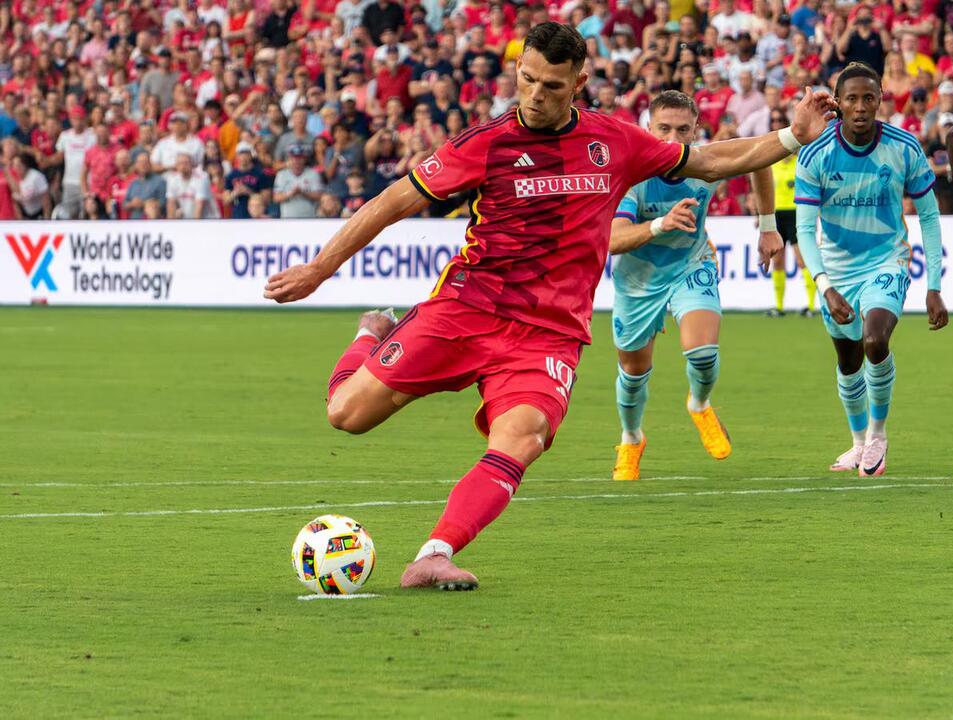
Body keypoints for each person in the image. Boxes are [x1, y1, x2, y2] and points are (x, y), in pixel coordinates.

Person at [263, 23, 835, 590]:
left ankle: (434, 554)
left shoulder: (615, 142)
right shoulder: (485, 143)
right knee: (347, 415)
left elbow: (710, 161)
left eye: (552, 86)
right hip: (468, 307)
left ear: (579, 83)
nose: (535, 96)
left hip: (548, 334)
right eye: (527, 79)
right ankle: (371, 334)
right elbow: (393, 201)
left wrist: (792, 136)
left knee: (525, 435)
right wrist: (319, 268)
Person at [608, 91, 783, 480]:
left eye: (682, 130)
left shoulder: (706, 162)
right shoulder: (632, 175)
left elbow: (760, 157)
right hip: (638, 277)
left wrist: (768, 226)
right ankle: (631, 438)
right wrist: (660, 224)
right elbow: (612, 239)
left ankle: (700, 404)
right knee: (633, 373)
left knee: (702, 352)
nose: (673, 139)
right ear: (647, 129)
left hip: (691, 264)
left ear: (695, 130)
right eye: (663, 129)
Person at [795, 62, 947, 477]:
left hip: (887, 261)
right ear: (838, 103)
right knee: (848, 361)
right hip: (837, 271)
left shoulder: (904, 147)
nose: (860, 106)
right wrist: (825, 286)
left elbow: (929, 216)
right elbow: (805, 229)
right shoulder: (815, 153)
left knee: (874, 340)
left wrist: (934, 286)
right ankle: (858, 442)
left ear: (881, 100)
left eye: (868, 98)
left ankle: (878, 436)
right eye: (852, 99)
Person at [766, 109, 817, 319]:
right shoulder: (771, 164)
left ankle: (811, 306)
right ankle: (779, 306)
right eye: (773, 120)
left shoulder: (800, 163)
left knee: (802, 260)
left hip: (796, 214)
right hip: (776, 215)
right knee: (778, 261)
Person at [272, 144, 324, 218]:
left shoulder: (313, 173)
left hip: (309, 217)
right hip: (287, 217)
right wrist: (291, 193)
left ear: (305, 159)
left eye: (300, 158)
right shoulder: (281, 174)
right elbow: (276, 198)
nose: (296, 161)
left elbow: (319, 196)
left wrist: (302, 192)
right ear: (289, 159)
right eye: (294, 158)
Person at [166, 153, 218, 219]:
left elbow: (199, 208)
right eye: (180, 163)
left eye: (186, 163)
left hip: (208, 219)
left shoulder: (202, 178)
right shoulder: (172, 179)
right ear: (176, 165)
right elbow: (170, 204)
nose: (183, 166)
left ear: (192, 164)